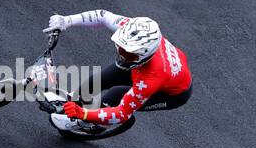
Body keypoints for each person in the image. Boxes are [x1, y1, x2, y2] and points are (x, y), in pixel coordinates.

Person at [43, 11, 192, 129]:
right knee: (96, 82)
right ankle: (74, 103)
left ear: (145, 53)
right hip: (144, 67)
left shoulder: (151, 79)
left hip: (170, 93)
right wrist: (67, 20)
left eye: (128, 54)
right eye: (121, 48)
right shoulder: (132, 30)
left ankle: (87, 124)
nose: (121, 56)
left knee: (114, 96)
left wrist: (83, 114)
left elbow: (121, 113)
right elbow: (102, 16)